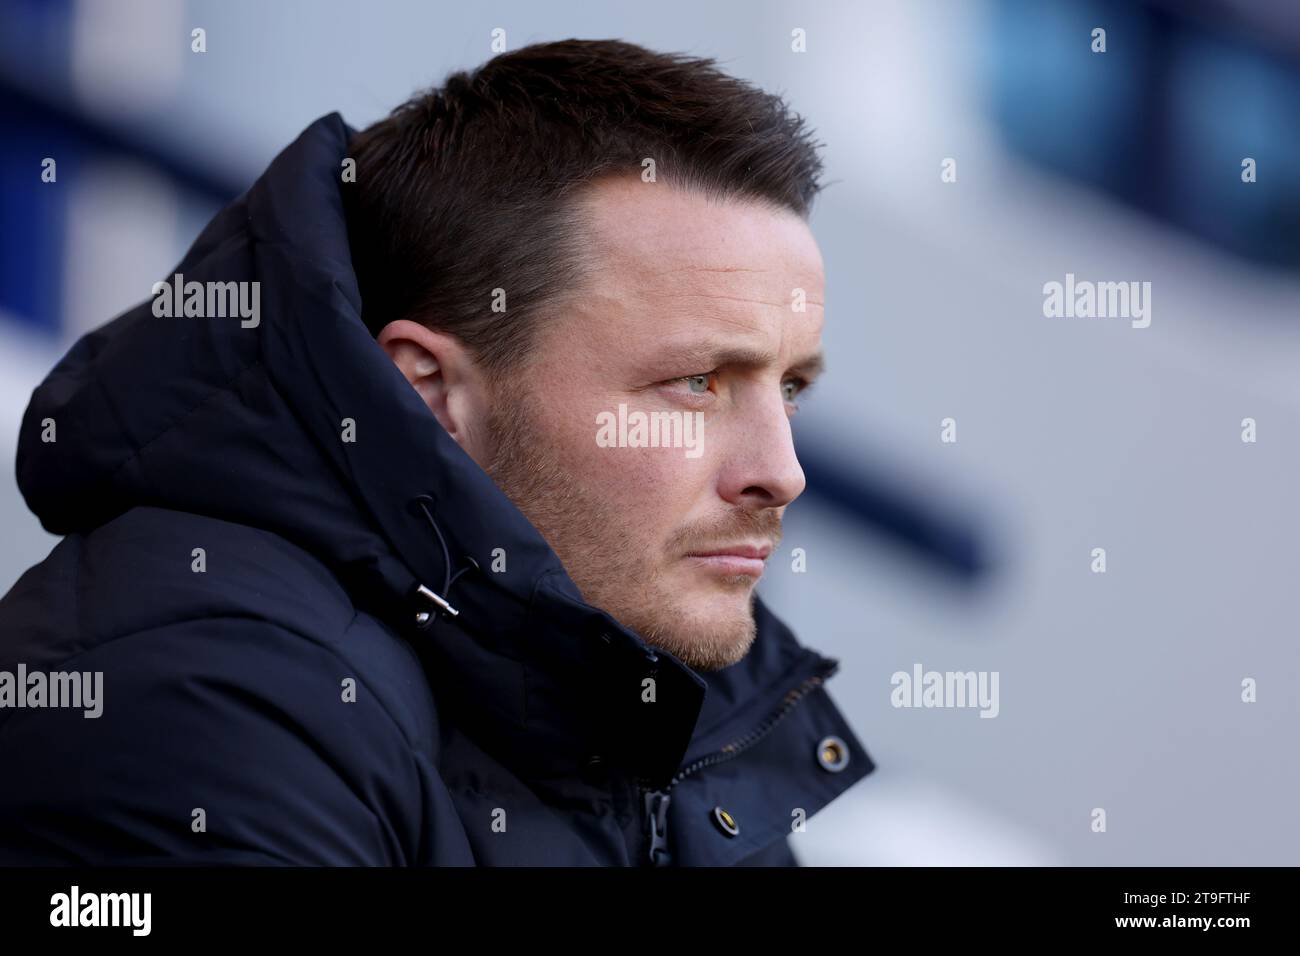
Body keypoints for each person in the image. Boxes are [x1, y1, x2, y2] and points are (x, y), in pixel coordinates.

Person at [0, 38, 873, 866]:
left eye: (791, 387)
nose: (782, 472)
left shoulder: (660, 692)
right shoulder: (207, 699)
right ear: (432, 392)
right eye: (697, 382)